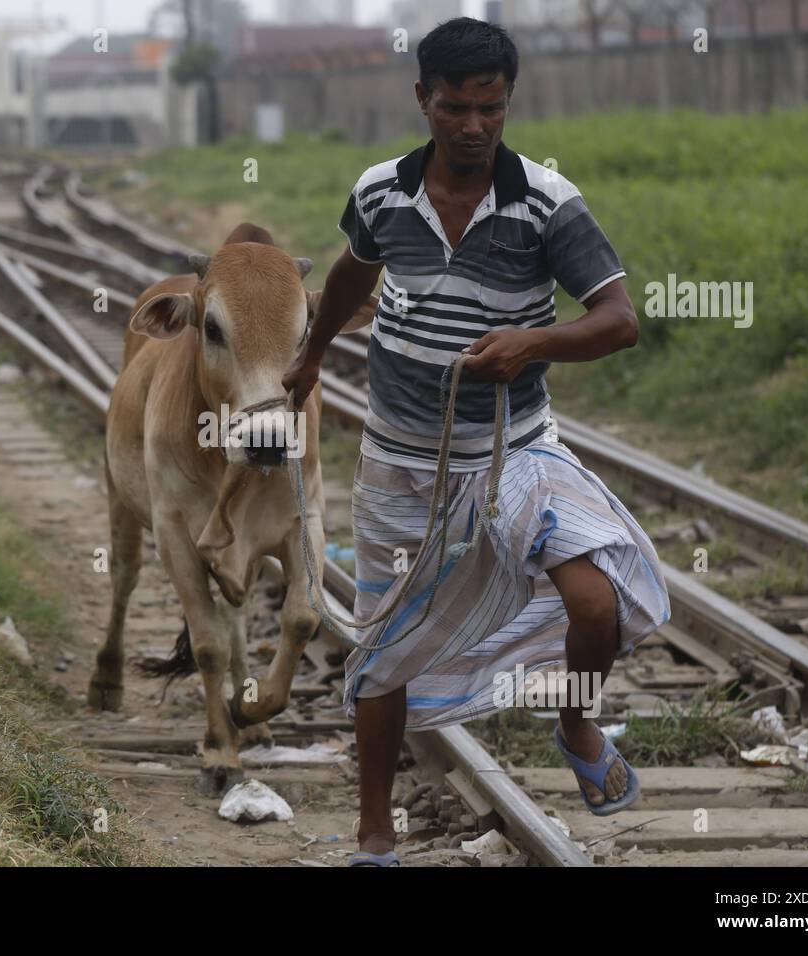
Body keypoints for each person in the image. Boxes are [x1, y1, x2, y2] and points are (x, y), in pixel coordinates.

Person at [280, 17, 671, 867]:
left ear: (507, 104)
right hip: (401, 463)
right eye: (454, 108)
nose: (472, 127)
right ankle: (375, 834)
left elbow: (619, 322)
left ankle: (575, 722)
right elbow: (355, 265)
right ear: (422, 100)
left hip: (516, 452)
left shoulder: (546, 203)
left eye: (489, 109)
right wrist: (311, 356)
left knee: (597, 602)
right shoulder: (382, 192)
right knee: (382, 652)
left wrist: (534, 342)